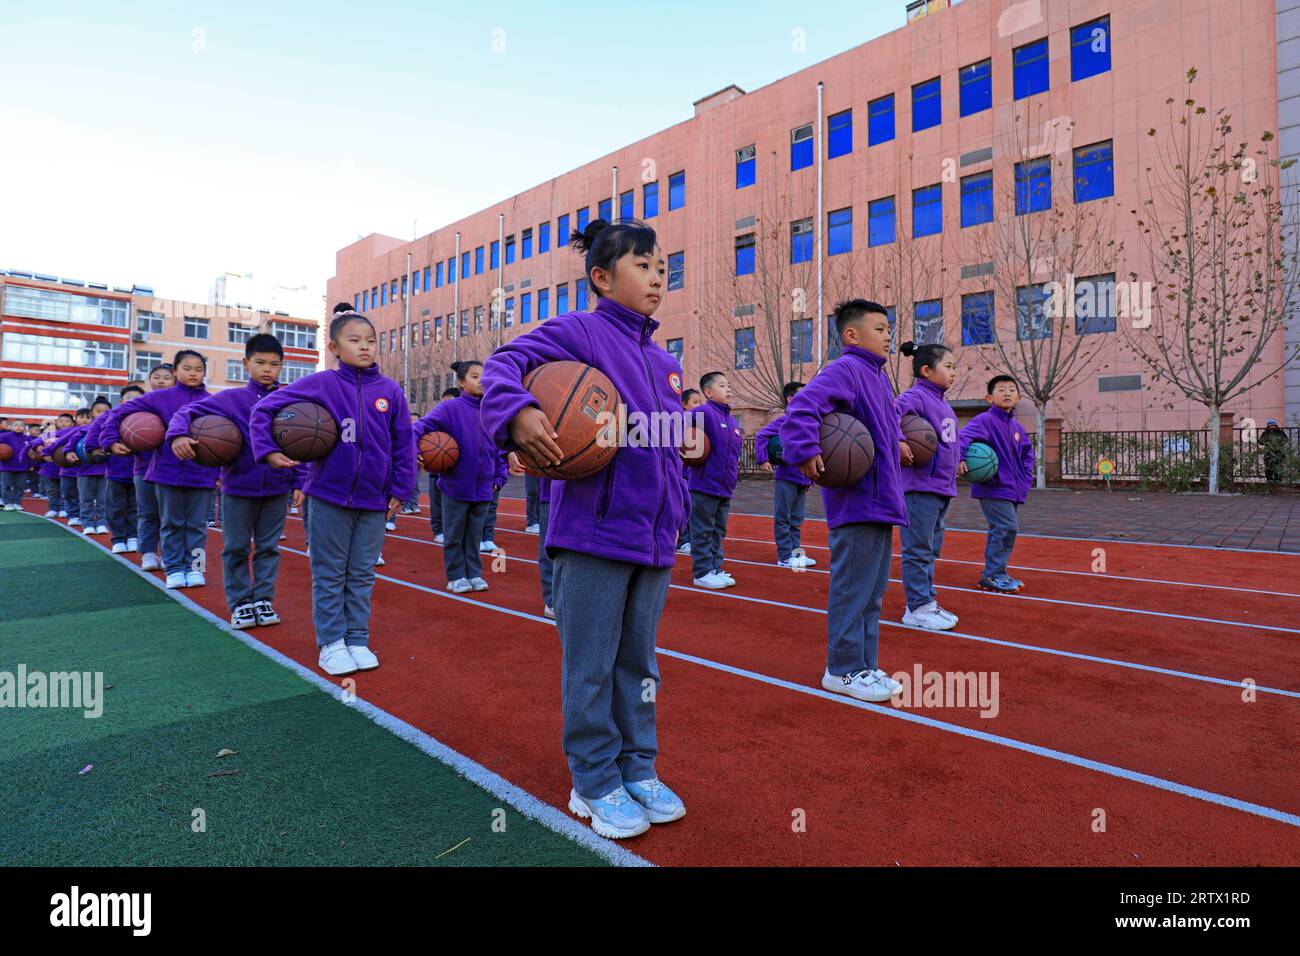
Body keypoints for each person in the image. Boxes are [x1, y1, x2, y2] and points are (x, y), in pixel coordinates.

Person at [481, 217, 689, 840]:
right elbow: (505, 363)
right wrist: (516, 412)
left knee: (641, 665)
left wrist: (681, 487)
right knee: (592, 664)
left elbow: (664, 444)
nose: (658, 276)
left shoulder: (665, 360)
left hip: (652, 538)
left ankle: (639, 767)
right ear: (601, 277)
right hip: (592, 534)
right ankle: (593, 780)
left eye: (661, 267)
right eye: (643, 266)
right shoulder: (580, 332)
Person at [249, 304, 416, 676]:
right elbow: (264, 411)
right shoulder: (320, 384)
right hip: (328, 495)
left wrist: (400, 489)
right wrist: (269, 450)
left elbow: (404, 444)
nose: (365, 347)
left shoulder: (390, 391)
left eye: (371, 341)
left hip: (375, 500)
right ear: (334, 347)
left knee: (361, 573)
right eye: (354, 340)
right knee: (330, 573)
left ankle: (357, 638)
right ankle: (331, 643)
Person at [780, 299, 911, 704]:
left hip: (881, 500)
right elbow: (802, 407)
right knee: (853, 590)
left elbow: (876, 431)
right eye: (880, 328)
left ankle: (865, 664)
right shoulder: (846, 370)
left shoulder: (877, 379)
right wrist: (803, 449)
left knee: (872, 593)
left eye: (889, 328)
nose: (888, 335)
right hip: (857, 501)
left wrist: (899, 441)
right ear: (851, 335)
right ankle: (843, 669)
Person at [167, 334, 303, 629]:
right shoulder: (230, 399)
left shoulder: (289, 400)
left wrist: (300, 482)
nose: (268, 369)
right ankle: (240, 603)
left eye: (275, 364)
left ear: (282, 366)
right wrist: (177, 435)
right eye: (260, 362)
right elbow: (186, 413)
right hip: (238, 487)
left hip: (278, 488)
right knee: (236, 548)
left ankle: (263, 600)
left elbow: (301, 445)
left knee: (269, 547)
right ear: (246, 363)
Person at [100, 351, 216, 589]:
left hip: (202, 474)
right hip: (165, 472)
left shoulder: (212, 401)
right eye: (187, 368)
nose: (193, 373)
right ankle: (173, 568)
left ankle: (195, 568)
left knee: (197, 525)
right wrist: (110, 440)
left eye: (198, 369)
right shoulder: (158, 398)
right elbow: (117, 413)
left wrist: (222, 473)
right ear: (175, 371)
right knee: (171, 522)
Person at [413, 360, 507, 593]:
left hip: (485, 487)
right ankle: (456, 575)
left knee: (474, 535)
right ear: (461, 382)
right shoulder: (449, 409)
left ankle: (474, 573)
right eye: (475, 376)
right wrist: (414, 450)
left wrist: (499, 478)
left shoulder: (492, 410)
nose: (481, 381)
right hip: (455, 485)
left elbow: (501, 449)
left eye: (484, 377)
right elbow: (419, 428)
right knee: (454, 534)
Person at [895, 341, 961, 630]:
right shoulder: (917, 396)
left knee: (930, 548)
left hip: (940, 488)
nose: (953, 372)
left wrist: (957, 461)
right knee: (918, 549)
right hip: (919, 487)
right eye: (948, 366)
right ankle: (917, 607)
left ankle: (927, 600)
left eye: (954, 367)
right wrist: (897, 439)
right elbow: (891, 412)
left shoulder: (944, 404)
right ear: (926, 370)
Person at [958, 374, 1035, 594]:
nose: (1007, 393)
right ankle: (993, 574)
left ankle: (996, 571)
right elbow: (964, 437)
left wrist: (1026, 476)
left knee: (1000, 529)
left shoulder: (1018, 427)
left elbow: (1028, 454)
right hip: (992, 487)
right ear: (989, 397)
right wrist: (961, 458)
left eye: (1011, 389)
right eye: (1001, 389)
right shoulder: (984, 421)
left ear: (1018, 397)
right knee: (1007, 527)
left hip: (1013, 489)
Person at [688, 372, 742, 589]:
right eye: (722, 385)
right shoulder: (703, 413)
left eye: (728, 385)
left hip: (725, 488)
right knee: (702, 530)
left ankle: (715, 567)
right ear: (708, 392)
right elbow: (678, 425)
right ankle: (702, 572)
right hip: (704, 485)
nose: (728, 388)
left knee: (718, 531)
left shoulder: (731, 420)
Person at [754, 382, 815, 569]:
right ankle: (785, 556)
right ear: (791, 399)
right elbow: (761, 436)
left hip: (801, 479)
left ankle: (795, 552)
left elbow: (809, 451)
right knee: (784, 518)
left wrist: (811, 478)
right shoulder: (786, 421)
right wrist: (763, 459)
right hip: (786, 477)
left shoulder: (808, 422)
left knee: (796, 519)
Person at [86, 386, 142, 553]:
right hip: (115, 471)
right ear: (122, 401)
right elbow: (93, 435)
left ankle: (133, 536)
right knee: (116, 507)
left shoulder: (147, 418)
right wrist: (93, 449)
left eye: (138, 398)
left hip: (140, 472)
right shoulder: (108, 416)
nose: (134, 401)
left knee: (136, 508)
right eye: (130, 398)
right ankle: (118, 538)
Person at [428, 386, 459, 545]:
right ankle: (438, 529)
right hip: (437, 467)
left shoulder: (463, 420)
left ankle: (452, 529)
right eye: (443, 403)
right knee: (436, 501)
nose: (445, 406)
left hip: (457, 470)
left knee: (454, 504)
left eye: (449, 402)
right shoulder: (438, 420)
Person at [675, 388, 705, 554]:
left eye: (700, 402)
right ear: (684, 404)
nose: (699, 405)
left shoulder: (699, 424)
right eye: (695, 402)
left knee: (693, 508)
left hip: (694, 475)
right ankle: (682, 540)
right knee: (682, 507)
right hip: (680, 474)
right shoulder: (678, 422)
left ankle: (689, 538)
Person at [1260, 420, 1291, 485]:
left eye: (1272, 426)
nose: (1272, 427)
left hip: (1273, 453)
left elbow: (1261, 442)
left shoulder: (1267, 433)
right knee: (1275, 466)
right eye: (1271, 426)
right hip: (1275, 452)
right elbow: (1286, 440)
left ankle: (1272, 480)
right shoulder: (1279, 432)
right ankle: (1275, 480)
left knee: (1272, 467)